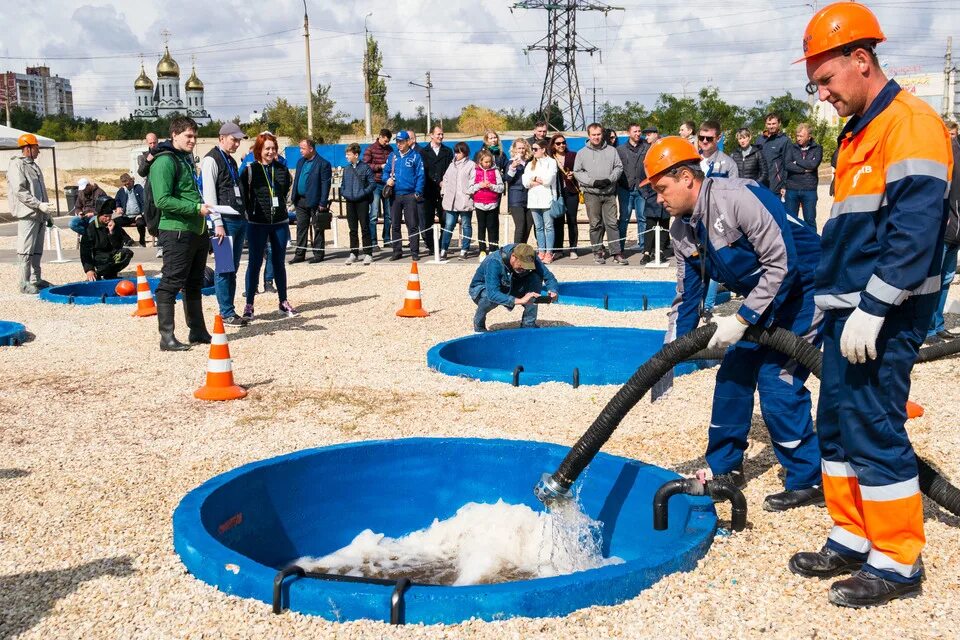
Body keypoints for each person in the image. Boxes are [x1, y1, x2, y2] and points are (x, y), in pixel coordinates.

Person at [790, 2, 953, 608]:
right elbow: (851, 232)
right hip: (848, 309)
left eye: (826, 80)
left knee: (873, 425)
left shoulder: (909, 122)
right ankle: (851, 535)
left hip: (885, 312)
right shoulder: (859, 130)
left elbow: (915, 231)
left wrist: (875, 307)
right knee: (835, 424)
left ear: (862, 60)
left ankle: (896, 561)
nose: (822, 94)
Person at [647, 136, 825, 513]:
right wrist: (669, 353)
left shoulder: (738, 197)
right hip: (770, 296)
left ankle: (809, 478)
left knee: (778, 381)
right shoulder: (682, 230)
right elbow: (688, 296)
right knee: (732, 375)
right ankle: (725, 468)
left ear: (686, 177)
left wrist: (743, 318)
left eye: (662, 189)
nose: (658, 199)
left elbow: (783, 264)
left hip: (809, 287)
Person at [149, 116, 212, 351]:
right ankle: (167, 337)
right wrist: (196, 208)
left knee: (194, 282)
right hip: (176, 230)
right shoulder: (164, 162)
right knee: (170, 282)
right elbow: (162, 200)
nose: (193, 140)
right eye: (188, 136)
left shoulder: (185, 159)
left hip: (196, 228)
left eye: (194, 136)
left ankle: (197, 330)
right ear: (174, 135)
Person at [240, 132, 296, 320]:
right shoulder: (250, 169)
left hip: (279, 222)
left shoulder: (281, 169)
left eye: (273, 148)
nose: (271, 151)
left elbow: (286, 188)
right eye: (267, 148)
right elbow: (244, 194)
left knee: (279, 263)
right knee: (254, 263)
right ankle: (249, 303)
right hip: (257, 222)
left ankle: (283, 301)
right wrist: (249, 212)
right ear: (259, 150)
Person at [200, 122, 248, 326]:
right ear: (222, 137)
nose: (237, 144)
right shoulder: (211, 159)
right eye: (233, 139)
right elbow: (209, 195)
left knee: (233, 268)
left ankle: (231, 309)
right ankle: (225, 311)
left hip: (238, 219)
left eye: (238, 140)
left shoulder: (232, 160)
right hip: (223, 222)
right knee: (224, 268)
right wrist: (216, 223)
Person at [468, 243, 559, 332]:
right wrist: (520, 300)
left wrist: (553, 290)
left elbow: (548, 277)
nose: (524, 268)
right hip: (482, 288)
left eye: (527, 266)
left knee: (535, 278)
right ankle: (479, 324)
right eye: (522, 265)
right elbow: (492, 293)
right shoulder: (494, 261)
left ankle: (528, 324)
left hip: (512, 283)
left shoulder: (530, 255)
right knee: (488, 297)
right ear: (513, 256)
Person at [7, 133, 55, 294]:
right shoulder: (17, 165)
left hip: (39, 214)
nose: (38, 151)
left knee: (37, 249)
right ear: (27, 148)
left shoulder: (34, 166)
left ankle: (36, 279)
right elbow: (20, 191)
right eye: (36, 148)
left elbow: (41, 190)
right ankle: (24, 282)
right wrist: (38, 205)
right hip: (27, 213)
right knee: (25, 249)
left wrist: (47, 213)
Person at [574, 122, 627, 265]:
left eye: (598, 134)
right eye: (593, 135)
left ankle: (616, 252)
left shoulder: (611, 150)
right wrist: (592, 182)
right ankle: (597, 252)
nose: (596, 137)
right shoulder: (581, 153)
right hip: (591, 194)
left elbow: (618, 167)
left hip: (609, 193)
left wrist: (610, 179)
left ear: (602, 134)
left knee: (612, 223)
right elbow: (577, 172)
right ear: (589, 135)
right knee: (595, 224)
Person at [927, 122, 960, 343]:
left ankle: (937, 324)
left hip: (957, 229)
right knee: (933, 279)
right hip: (944, 227)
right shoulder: (943, 152)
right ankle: (927, 329)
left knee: (946, 279)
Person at [289, 138, 332, 264]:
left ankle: (318, 254)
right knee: (301, 227)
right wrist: (293, 197)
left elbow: (325, 184)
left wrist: (323, 202)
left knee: (317, 227)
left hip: (315, 201)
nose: (300, 151)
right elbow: (297, 179)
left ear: (311, 149)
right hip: (300, 201)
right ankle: (300, 254)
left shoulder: (323, 164)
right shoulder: (300, 162)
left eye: (302, 148)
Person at [384, 130, 426, 261]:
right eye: (397, 142)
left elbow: (420, 175)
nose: (399, 144)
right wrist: (387, 180)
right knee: (395, 224)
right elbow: (385, 172)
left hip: (410, 195)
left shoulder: (415, 156)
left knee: (412, 224)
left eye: (401, 141)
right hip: (395, 195)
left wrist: (417, 192)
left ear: (408, 141)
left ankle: (414, 251)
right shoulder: (393, 156)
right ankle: (397, 251)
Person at [638, 127, 671, 264]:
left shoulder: (666, 150)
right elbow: (640, 174)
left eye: (649, 134)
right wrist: (645, 194)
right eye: (645, 135)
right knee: (650, 224)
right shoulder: (646, 152)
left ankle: (660, 251)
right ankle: (647, 252)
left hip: (666, 192)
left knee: (664, 223)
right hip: (651, 194)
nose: (646, 137)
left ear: (656, 135)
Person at [80, 196, 133, 280]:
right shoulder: (91, 228)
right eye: (105, 216)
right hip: (99, 257)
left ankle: (110, 274)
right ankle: (97, 274)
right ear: (99, 215)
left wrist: (112, 233)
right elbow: (85, 251)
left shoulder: (114, 225)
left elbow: (119, 246)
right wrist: (89, 269)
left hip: (112, 254)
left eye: (110, 216)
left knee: (126, 253)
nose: (108, 219)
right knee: (106, 260)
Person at [521, 142, 558, 263]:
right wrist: (534, 180)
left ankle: (549, 252)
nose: (533, 151)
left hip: (547, 198)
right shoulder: (530, 163)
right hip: (533, 199)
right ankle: (541, 251)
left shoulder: (551, 162)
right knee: (538, 227)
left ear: (543, 149)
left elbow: (548, 180)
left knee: (548, 226)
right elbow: (525, 181)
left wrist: (535, 178)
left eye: (536, 149)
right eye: (533, 149)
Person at [341, 143, 376, 265]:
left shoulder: (365, 168)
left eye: (348, 154)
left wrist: (363, 193)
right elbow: (343, 184)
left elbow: (372, 184)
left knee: (365, 227)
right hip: (350, 201)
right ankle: (353, 253)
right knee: (352, 229)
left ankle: (368, 253)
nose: (346, 156)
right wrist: (344, 193)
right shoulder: (346, 169)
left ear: (356, 155)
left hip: (362, 201)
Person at [440, 141, 476, 260]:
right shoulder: (451, 165)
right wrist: (444, 191)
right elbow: (445, 179)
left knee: (466, 225)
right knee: (449, 225)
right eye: (455, 152)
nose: (456, 154)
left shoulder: (471, 165)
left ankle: (464, 249)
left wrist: (468, 193)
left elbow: (473, 181)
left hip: (465, 200)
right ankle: (443, 249)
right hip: (451, 201)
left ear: (465, 152)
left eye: (459, 152)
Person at [420, 125, 453, 253]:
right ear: (431, 135)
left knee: (445, 219)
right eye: (438, 134)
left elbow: (450, 170)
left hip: (444, 192)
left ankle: (442, 245)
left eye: (442, 134)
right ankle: (431, 246)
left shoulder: (447, 151)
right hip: (428, 191)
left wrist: (444, 182)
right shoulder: (423, 152)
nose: (440, 136)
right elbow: (423, 171)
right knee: (427, 220)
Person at [783, 123, 823, 229]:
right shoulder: (791, 148)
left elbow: (813, 165)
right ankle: (793, 244)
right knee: (791, 220)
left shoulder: (817, 148)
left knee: (810, 221)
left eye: (801, 136)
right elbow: (787, 165)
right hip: (792, 189)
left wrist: (796, 162)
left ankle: (813, 245)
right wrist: (805, 169)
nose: (798, 138)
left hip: (809, 189)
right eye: (797, 136)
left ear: (809, 136)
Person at [617, 123, 648, 255]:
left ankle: (643, 247)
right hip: (625, 189)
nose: (637, 134)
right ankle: (620, 247)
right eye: (635, 131)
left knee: (642, 218)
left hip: (642, 188)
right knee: (624, 218)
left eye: (639, 131)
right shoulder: (620, 150)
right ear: (629, 132)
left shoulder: (647, 147)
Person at [469, 150, 505, 257]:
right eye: (485, 162)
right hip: (479, 204)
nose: (488, 164)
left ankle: (493, 249)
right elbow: (470, 188)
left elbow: (501, 187)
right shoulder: (475, 171)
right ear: (480, 161)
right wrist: (480, 185)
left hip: (492, 204)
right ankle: (482, 250)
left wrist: (492, 186)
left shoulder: (495, 171)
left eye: (489, 162)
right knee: (481, 228)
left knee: (492, 227)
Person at [362, 128, 393, 250]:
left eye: (388, 141)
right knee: (374, 214)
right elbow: (365, 165)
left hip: (387, 185)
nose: (387, 143)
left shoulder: (390, 150)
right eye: (385, 140)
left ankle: (387, 239)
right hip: (374, 185)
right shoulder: (370, 149)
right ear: (380, 137)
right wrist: (380, 166)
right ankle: (373, 242)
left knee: (389, 215)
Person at [550, 133, 580, 259]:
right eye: (558, 143)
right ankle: (558, 249)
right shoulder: (550, 158)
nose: (561, 145)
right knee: (558, 220)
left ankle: (573, 248)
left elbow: (581, 170)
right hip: (557, 192)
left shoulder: (573, 155)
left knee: (572, 220)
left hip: (572, 191)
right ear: (553, 145)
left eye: (563, 142)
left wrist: (574, 174)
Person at [136, 132, 163, 256]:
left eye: (155, 142)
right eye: (150, 143)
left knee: (164, 217)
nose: (153, 145)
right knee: (152, 218)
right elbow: (141, 172)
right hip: (150, 191)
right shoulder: (143, 157)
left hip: (163, 189)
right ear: (147, 143)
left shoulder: (164, 154)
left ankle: (161, 245)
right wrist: (149, 159)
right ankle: (157, 238)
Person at [506, 138, 533, 246]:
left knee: (528, 225)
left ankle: (523, 249)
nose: (521, 150)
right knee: (520, 225)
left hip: (530, 198)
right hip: (516, 199)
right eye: (519, 148)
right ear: (514, 149)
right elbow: (507, 179)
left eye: (523, 148)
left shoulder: (530, 162)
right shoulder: (510, 162)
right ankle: (516, 251)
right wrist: (513, 167)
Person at [756, 112, 790, 197]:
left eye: (774, 123)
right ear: (765, 124)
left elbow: (787, 165)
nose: (771, 126)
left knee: (774, 209)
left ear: (779, 123)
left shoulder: (784, 141)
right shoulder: (759, 140)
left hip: (775, 184)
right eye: (769, 124)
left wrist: (784, 185)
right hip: (760, 183)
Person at [113, 173, 146, 246]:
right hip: (126, 216)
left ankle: (142, 240)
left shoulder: (138, 188)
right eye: (125, 185)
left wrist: (142, 214)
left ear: (131, 180)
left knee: (140, 223)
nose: (127, 186)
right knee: (113, 223)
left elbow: (144, 201)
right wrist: (118, 207)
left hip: (138, 215)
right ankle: (127, 239)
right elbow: (116, 200)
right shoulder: (122, 191)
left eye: (128, 183)